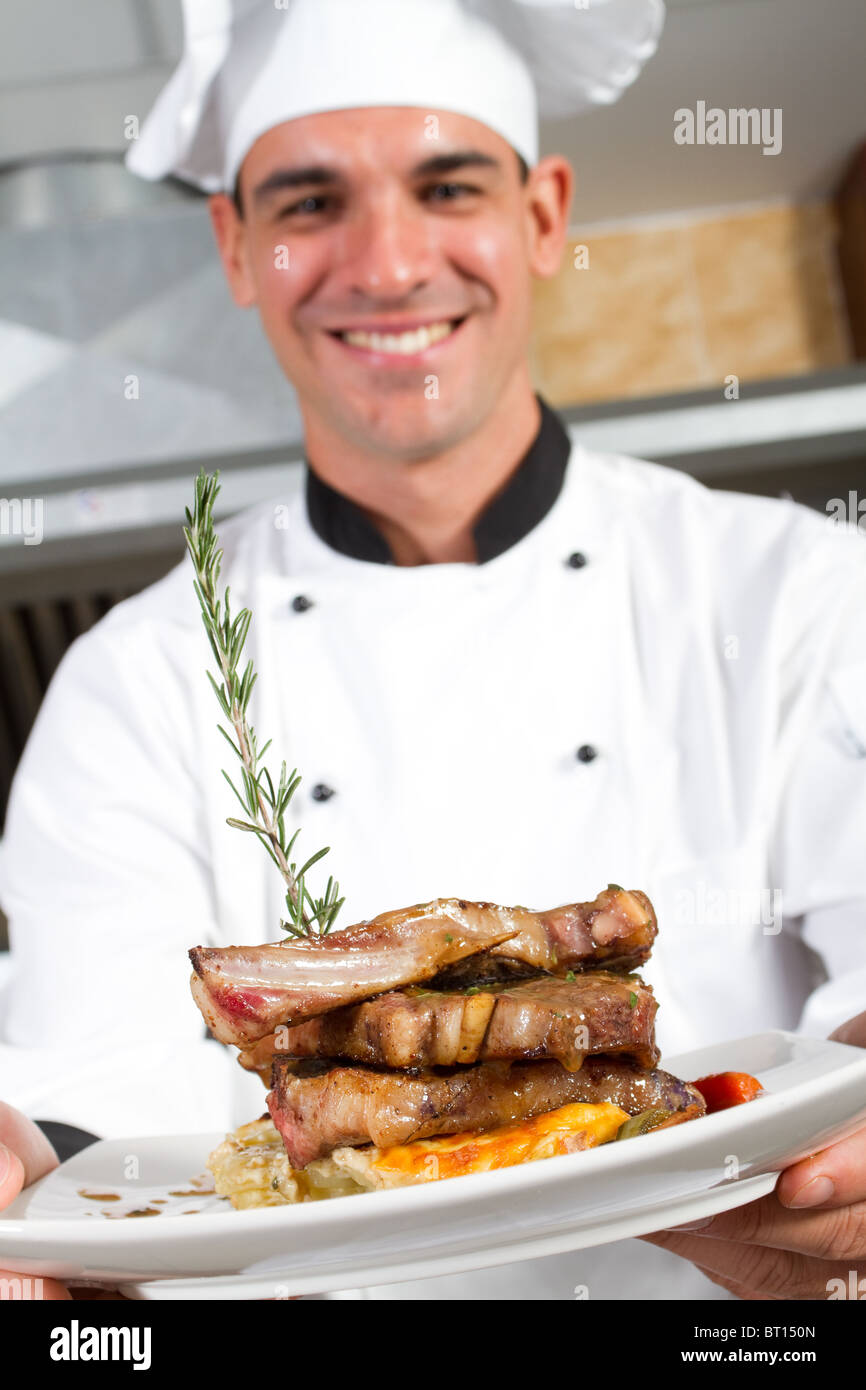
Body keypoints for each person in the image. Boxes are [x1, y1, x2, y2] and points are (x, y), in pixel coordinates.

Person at [1, 0, 864, 1302]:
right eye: (307, 204)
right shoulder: (132, 680)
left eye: (444, 184)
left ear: (542, 215)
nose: (388, 263)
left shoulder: (798, 587)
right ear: (234, 247)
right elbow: (91, 1131)